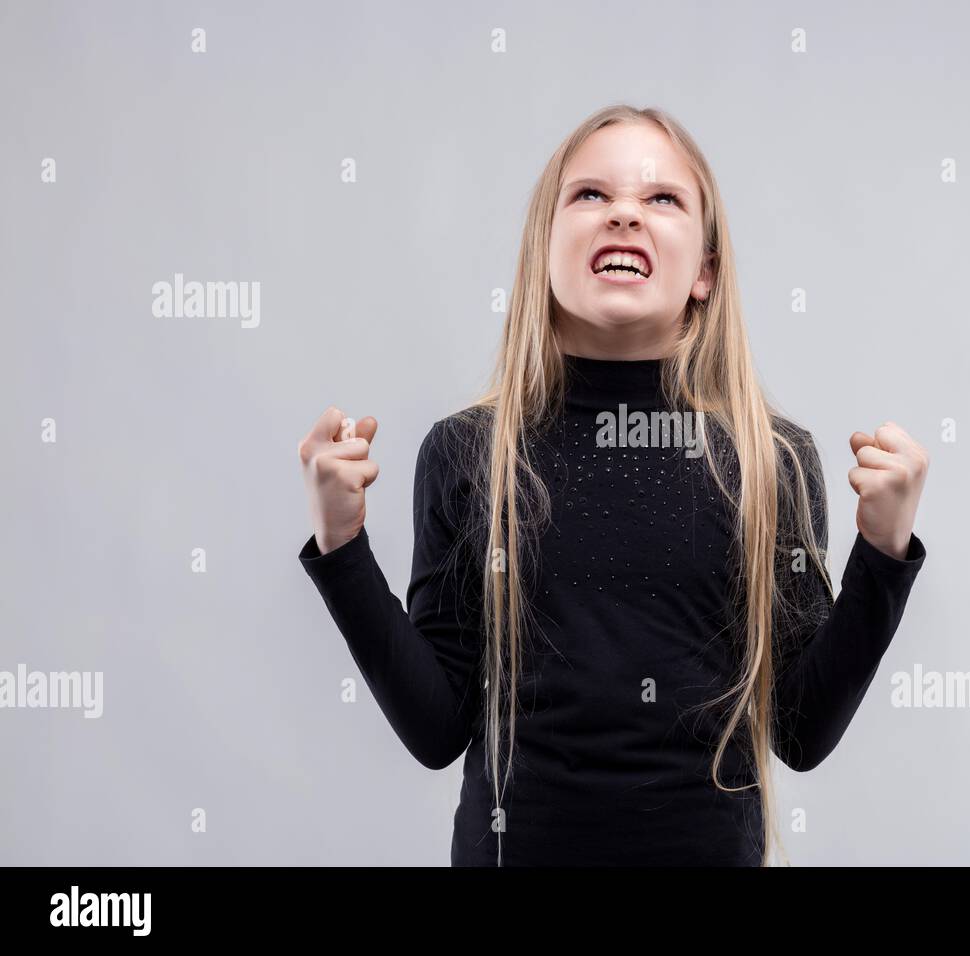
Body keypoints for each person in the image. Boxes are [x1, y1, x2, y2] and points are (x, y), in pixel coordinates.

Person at [296, 104, 929, 866]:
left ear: (704, 271)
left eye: (662, 199)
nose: (624, 213)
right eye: (591, 195)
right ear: (545, 252)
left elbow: (800, 729)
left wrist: (883, 551)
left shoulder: (771, 461)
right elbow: (436, 729)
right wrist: (342, 543)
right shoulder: (471, 452)